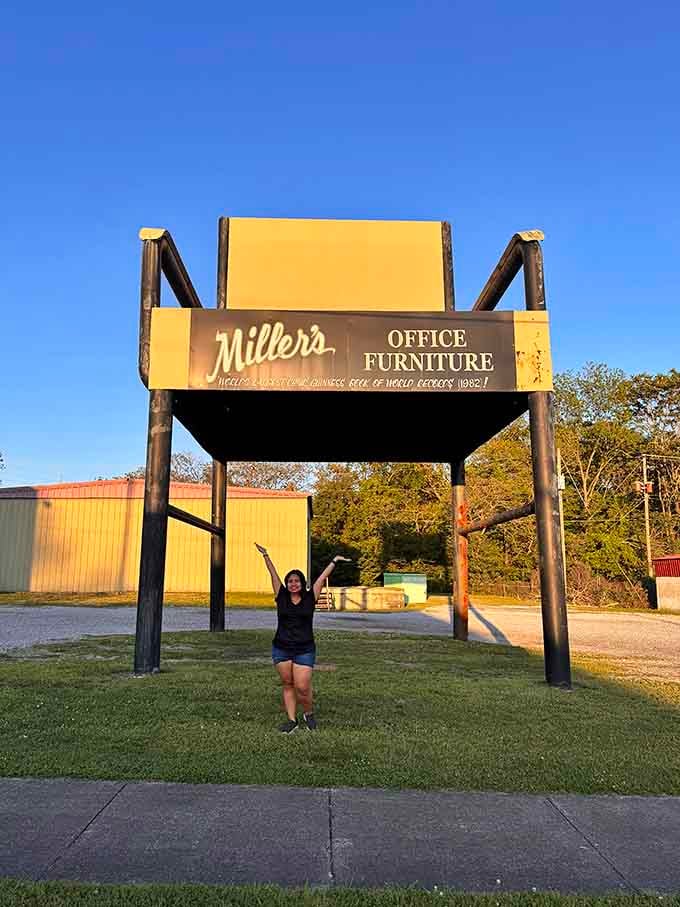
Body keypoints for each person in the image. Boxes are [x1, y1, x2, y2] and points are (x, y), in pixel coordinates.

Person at [255, 543, 350, 733]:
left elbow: (322, 578)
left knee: (303, 686)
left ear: (302, 582)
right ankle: (292, 720)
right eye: (290, 581)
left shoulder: (310, 597)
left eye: (296, 581)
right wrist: (266, 555)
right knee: (288, 684)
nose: (293, 584)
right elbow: (272, 574)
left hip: (304, 649)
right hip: (281, 648)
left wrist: (334, 561)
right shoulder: (281, 595)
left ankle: (308, 713)